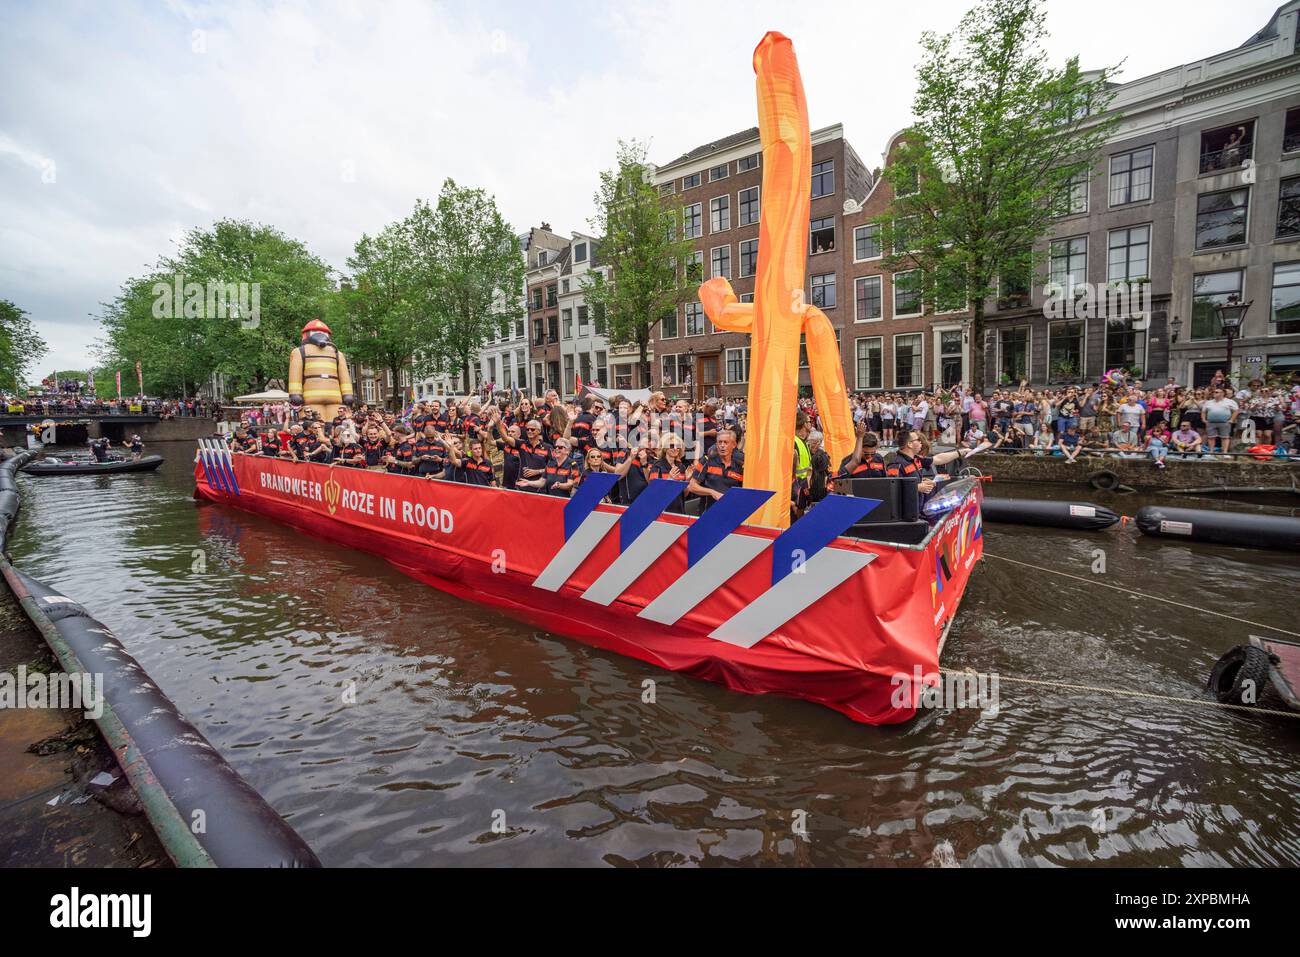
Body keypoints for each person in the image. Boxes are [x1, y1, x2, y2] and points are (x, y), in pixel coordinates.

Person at [687, 428, 744, 505]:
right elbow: (691, 486)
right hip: (709, 509)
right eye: (719, 442)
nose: (722, 445)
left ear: (734, 445)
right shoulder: (707, 460)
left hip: (732, 507)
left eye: (726, 442)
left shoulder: (741, 465)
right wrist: (712, 492)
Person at [1200, 387, 1239, 456]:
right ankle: (1211, 452)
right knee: (1211, 437)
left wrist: (1231, 420)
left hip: (1224, 422)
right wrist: (1204, 419)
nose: (1214, 393)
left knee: (1225, 437)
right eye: (1214, 392)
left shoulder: (1230, 401)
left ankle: (1225, 452)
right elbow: (1203, 411)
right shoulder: (1209, 402)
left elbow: (1236, 410)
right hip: (1211, 422)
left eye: (1216, 392)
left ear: (1223, 393)